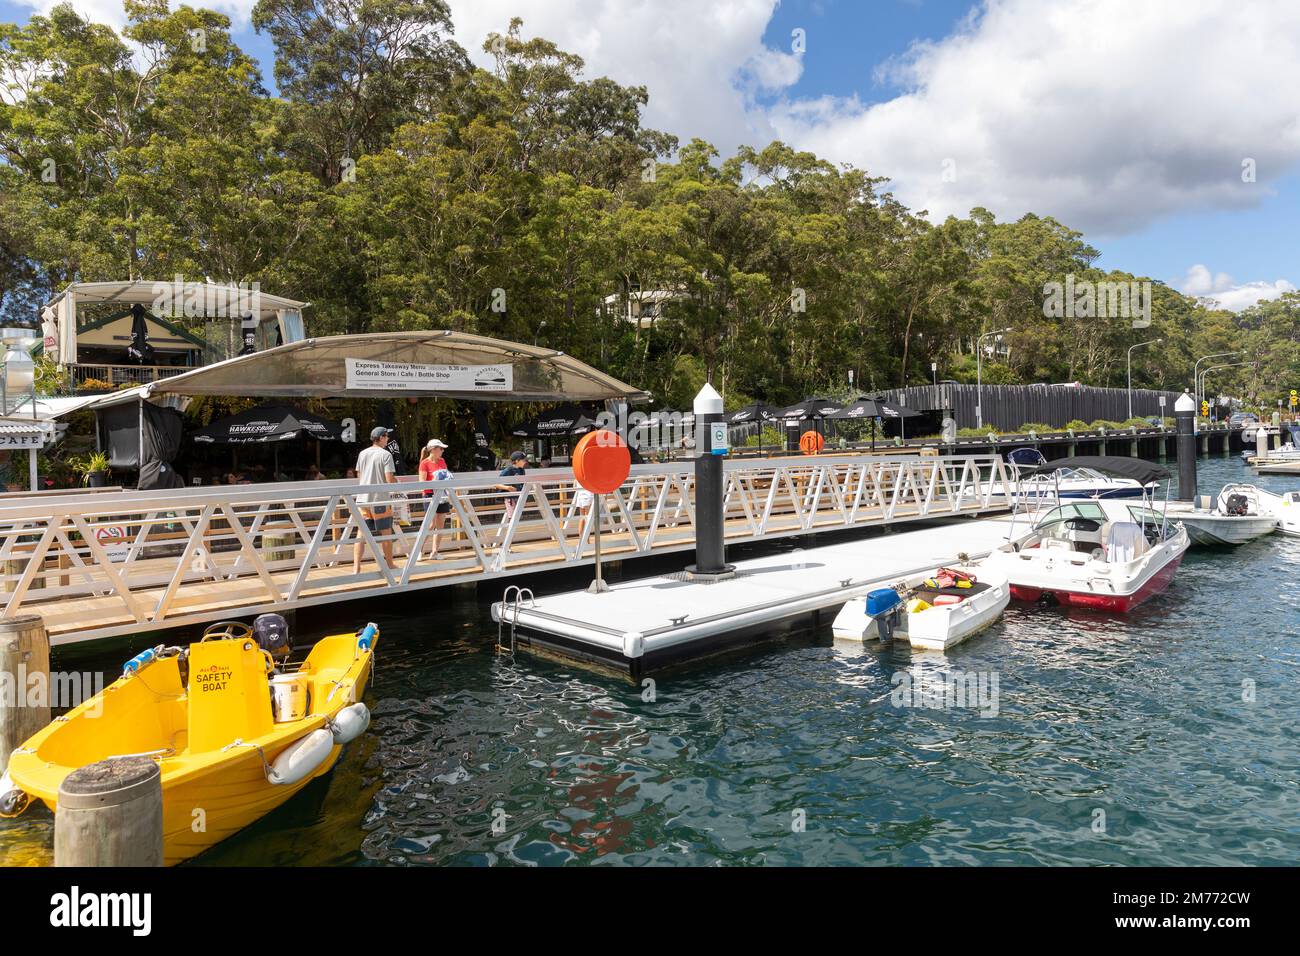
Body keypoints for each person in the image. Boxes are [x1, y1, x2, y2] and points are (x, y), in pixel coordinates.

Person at [353, 426, 398, 574]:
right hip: (380, 500)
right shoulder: (386, 455)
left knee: (361, 535)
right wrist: (398, 483)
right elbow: (389, 478)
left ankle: (356, 567)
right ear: (381, 438)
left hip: (363, 500)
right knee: (386, 534)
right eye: (386, 436)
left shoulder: (362, 453)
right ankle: (389, 564)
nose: (388, 439)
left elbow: (359, 476)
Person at [418, 439, 453, 558]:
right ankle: (419, 551)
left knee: (440, 524)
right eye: (441, 448)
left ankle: (435, 552)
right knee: (430, 524)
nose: (443, 451)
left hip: (442, 494)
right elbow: (422, 482)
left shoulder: (442, 461)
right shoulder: (424, 463)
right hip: (429, 495)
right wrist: (435, 482)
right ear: (433, 450)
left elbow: (446, 476)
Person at [495, 450, 528, 525]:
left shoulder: (522, 470)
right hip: (510, 498)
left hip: (518, 496)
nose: (525, 462)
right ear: (517, 461)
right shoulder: (508, 470)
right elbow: (496, 484)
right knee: (513, 518)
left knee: (516, 517)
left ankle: (512, 530)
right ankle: (511, 530)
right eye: (523, 460)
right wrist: (508, 488)